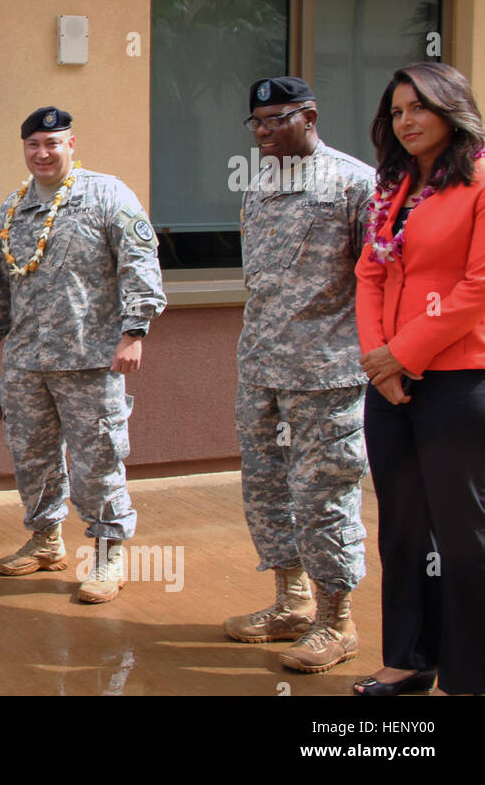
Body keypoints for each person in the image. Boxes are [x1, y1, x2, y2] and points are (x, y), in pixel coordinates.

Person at [0, 106, 166, 602]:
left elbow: (140, 265)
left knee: (97, 461)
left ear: (71, 145)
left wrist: (135, 332)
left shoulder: (106, 195)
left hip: (89, 359)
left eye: (52, 144)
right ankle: (44, 540)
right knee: (32, 458)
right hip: (25, 360)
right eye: (34, 145)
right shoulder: (14, 208)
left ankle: (108, 557)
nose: (42, 154)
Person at [224, 77, 376, 674]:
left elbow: (377, 278)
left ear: (308, 116)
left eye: (274, 120)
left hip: (326, 372)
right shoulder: (259, 184)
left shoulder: (356, 183)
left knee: (325, 494)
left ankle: (337, 621)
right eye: (255, 123)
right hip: (261, 366)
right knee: (265, 489)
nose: (262, 132)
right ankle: (291, 601)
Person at [353, 62, 485, 696]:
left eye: (418, 108)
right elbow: (369, 275)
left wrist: (403, 352)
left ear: (451, 109)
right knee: (402, 526)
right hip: (391, 384)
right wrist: (378, 356)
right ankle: (409, 658)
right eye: (396, 112)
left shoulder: (481, 179)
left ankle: (470, 671)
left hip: (460, 380)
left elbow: (477, 287)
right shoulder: (396, 185)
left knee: (463, 530)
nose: (405, 122)